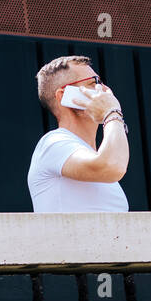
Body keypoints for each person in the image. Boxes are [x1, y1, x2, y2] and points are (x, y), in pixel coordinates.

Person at [28, 55, 130, 213]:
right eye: (93, 83)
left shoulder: (93, 158)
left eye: (100, 82)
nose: (104, 90)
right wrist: (112, 114)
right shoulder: (53, 143)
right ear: (64, 96)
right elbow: (112, 166)